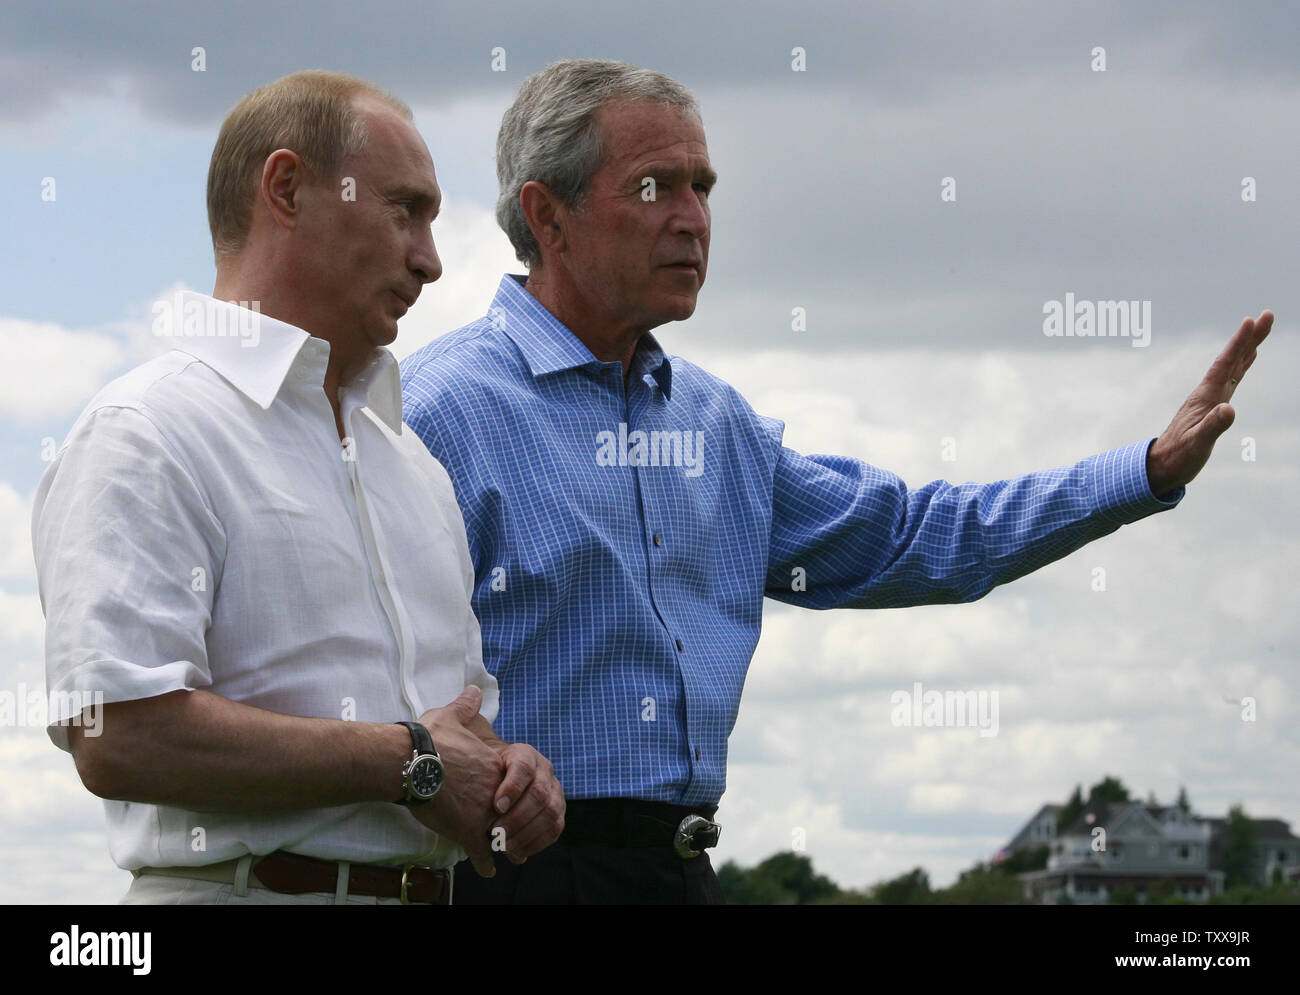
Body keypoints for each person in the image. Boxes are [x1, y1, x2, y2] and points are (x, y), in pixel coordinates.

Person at [399, 59, 1272, 904]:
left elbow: (917, 536)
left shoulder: (719, 426)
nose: (695, 219)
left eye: (706, 187)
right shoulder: (432, 414)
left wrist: (1144, 471)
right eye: (658, 187)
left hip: (681, 867)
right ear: (546, 216)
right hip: (502, 872)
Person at [31, 70, 563, 905]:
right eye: (405, 210)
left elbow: (451, 730)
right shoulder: (149, 429)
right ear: (285, 188)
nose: (429, 259)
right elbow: (120, 734)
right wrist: (413, 760)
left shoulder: (415, 467)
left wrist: (508, 776)